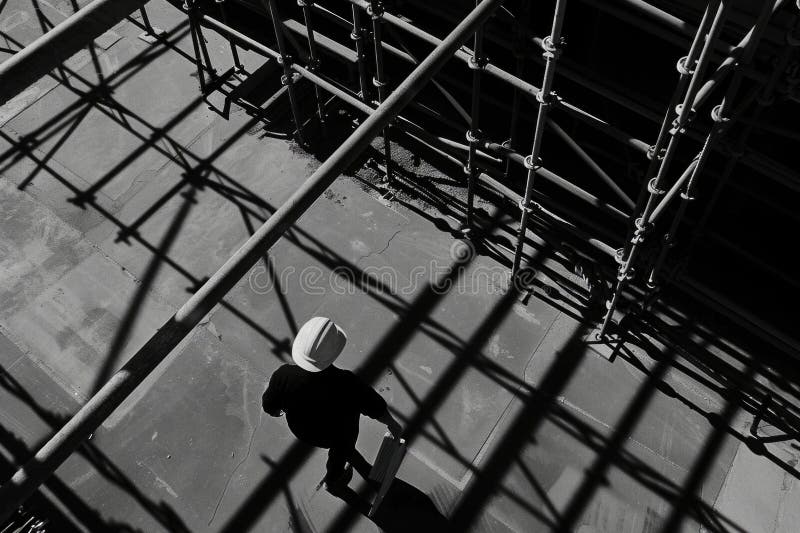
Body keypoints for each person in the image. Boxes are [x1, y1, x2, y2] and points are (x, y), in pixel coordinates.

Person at [262, 317, 403, 493]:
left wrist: (281, 410)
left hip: (302, 429)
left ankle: (333, 479)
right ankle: (332, 480)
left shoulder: (283, 374)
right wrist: (392, 424)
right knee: (340, 453)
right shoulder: (348, 383)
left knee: (340, 446)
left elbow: (269, 405)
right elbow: (375, 406)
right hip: (336, 436)